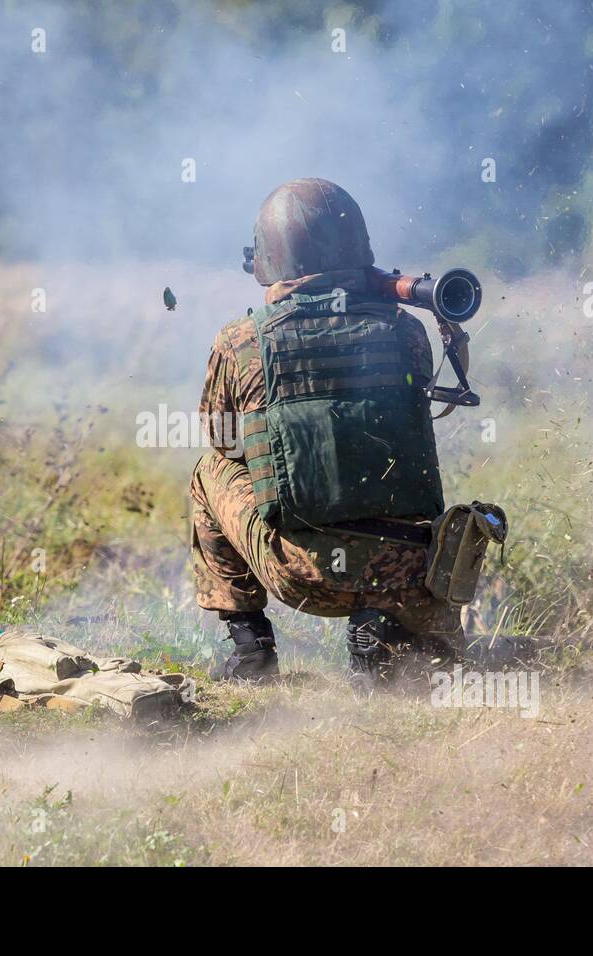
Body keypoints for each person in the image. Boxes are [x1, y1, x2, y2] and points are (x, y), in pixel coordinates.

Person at [190, 179, 462, 691]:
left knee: (209, 474)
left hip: (302, 572)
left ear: (270, 257)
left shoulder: (242, 339)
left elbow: (225, 443)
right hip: (406, 573)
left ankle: (250, 651)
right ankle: (381, 632)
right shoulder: (406, 331)